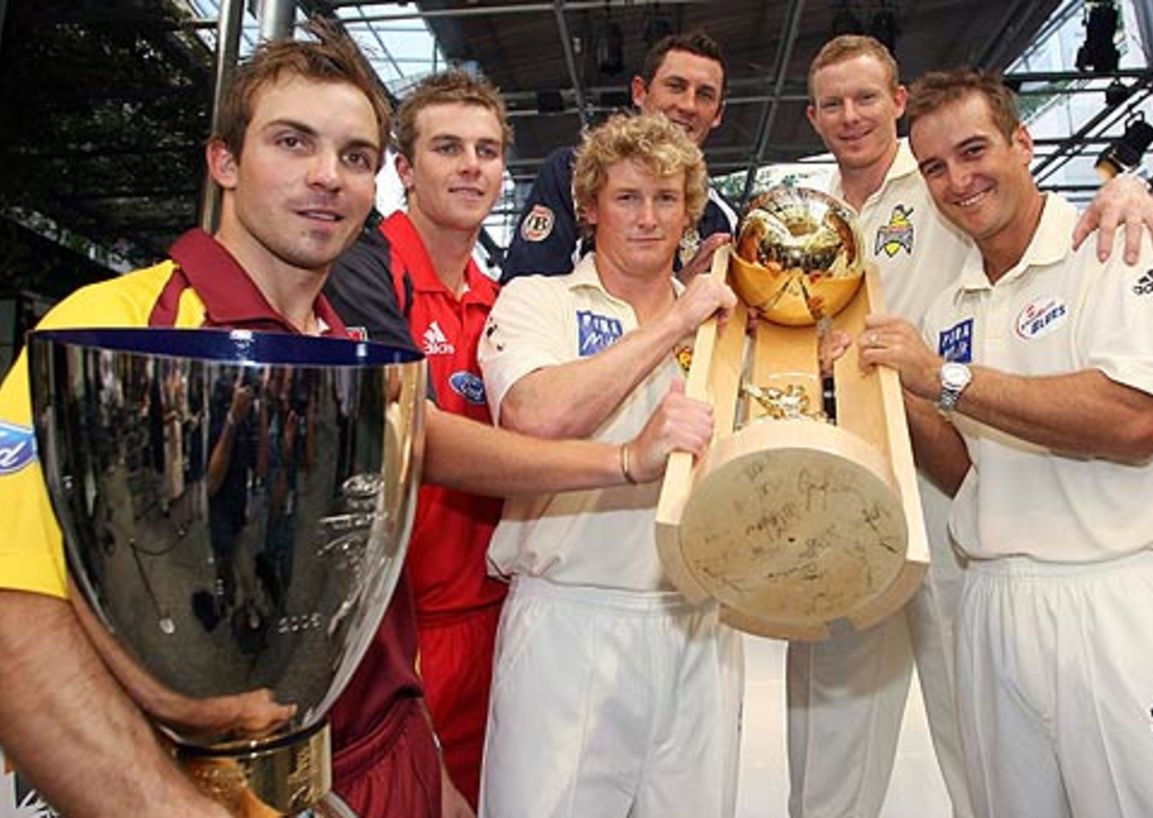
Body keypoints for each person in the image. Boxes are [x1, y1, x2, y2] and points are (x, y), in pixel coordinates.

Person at [0, 26, 717, 818]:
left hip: (382, 750)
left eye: (353, 157)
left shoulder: (349, 345)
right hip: (196, 773)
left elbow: (436, 448)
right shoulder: (113, 327)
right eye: (291, 141)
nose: (326, 177)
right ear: (225, 162)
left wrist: (429, 773)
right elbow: (13, 622)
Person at [788, 34, 1153, 818]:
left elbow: (1134, 418)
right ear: (811, 117)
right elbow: (960, 449)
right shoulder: (821, 223)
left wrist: (1126, 186)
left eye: (866, 97)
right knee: (857, 745)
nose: (957, 180)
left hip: (1079, 568)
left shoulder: (1068, 233)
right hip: (913, 504)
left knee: (1004, 755)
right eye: (832, 103)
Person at [477, 111, 742, 818]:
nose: (648, 218)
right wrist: (674, 324)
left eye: (666, 199)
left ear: (690, 211)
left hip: (698, 622)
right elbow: (535, 416)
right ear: (588, 208)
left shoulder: (729, 324)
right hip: (570, 621)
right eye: (627, 198)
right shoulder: (537, 300)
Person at [324, 69, 512, 811]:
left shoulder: (503, 303)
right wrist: (622, 463)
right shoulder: (361, 271)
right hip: (399, 634)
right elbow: (418, 439)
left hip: (494, 615)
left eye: (489, 150)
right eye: (448, 148)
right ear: (405, 169)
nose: (472, 165)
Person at [500, 30, 737, 284]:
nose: (688, 105)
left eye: (704, 94)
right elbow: (523, 290)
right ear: (639, 92)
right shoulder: (573, 172)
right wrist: (678, 296)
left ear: (718, 114)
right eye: (676, 86)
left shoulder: (723, 218)